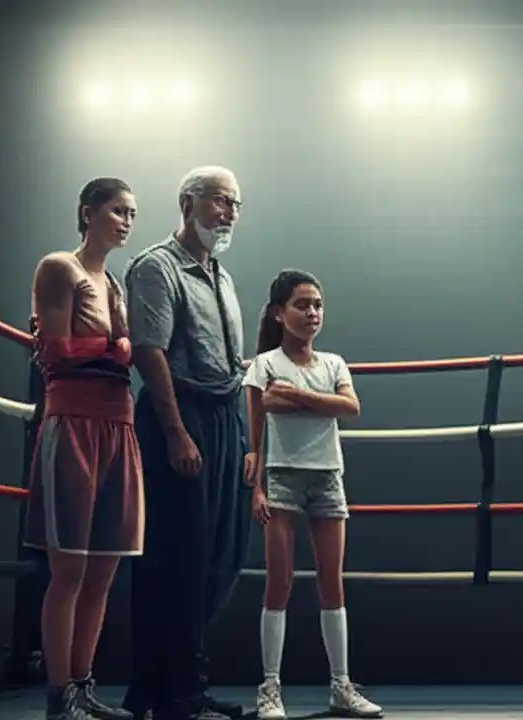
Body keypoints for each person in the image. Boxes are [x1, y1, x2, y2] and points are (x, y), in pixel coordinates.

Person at [121, 166, 251, 720]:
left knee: (221, 553)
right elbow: (150, 353)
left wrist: (244, 437)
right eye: (220, 201)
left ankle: (175, 688)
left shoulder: (220, 275)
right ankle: (173, 691)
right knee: (177, 556)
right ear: (186, 202)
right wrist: (175, 431)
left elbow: (232, 364)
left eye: (236, 205)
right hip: (182, 415)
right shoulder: (155, 266)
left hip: (223, 418)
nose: (229, 213)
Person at [23, 177, 143, 720]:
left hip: (119, 427)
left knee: (103, 573)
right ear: (87, 212)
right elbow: (56, 348)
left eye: (133, 213)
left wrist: (117, 350)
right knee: (68, 571)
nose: (126, 220)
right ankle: (58, 694)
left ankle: (83, 685)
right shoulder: (59, 267)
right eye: (117, 210)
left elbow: (118, 355)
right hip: (71, 421)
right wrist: (115, 346)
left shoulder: (114, 285)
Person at [241, 270, 383, 720]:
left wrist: (295, 395)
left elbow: (352, 408)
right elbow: (260, 422)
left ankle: (342, 685)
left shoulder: (334, 363)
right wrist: (257, 488)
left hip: (327, 476)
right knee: (278, 583)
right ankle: (269, 689)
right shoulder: (264, 365)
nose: (312, 313)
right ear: (280, 313)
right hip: (281, 473)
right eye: (302, 304)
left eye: (318, 304)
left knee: (331, 582)